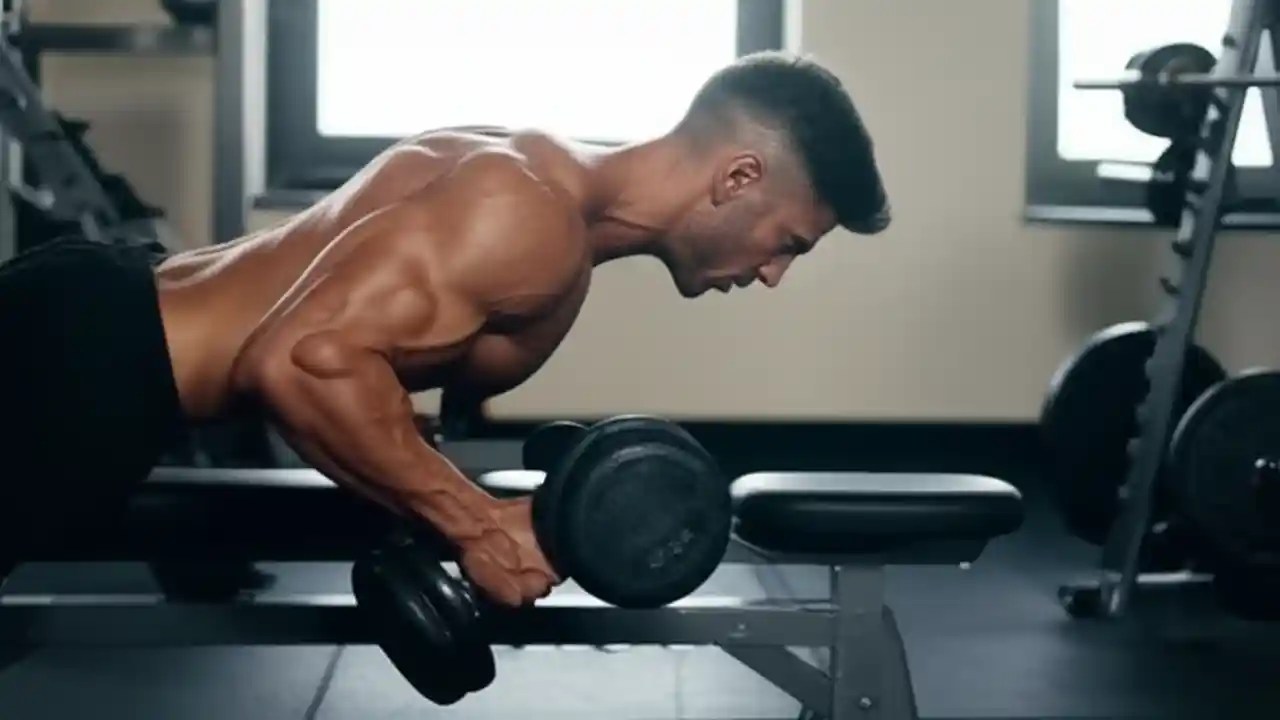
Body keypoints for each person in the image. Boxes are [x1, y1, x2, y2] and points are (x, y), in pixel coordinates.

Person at [0, 51, 889, 605]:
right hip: (88, 370)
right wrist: (476, 526)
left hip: (101, 315)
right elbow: (305, 361)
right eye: (788, 245)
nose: (771, 274)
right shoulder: (530, 218)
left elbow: (376, 352)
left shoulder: (531, 170)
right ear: (737, 177)